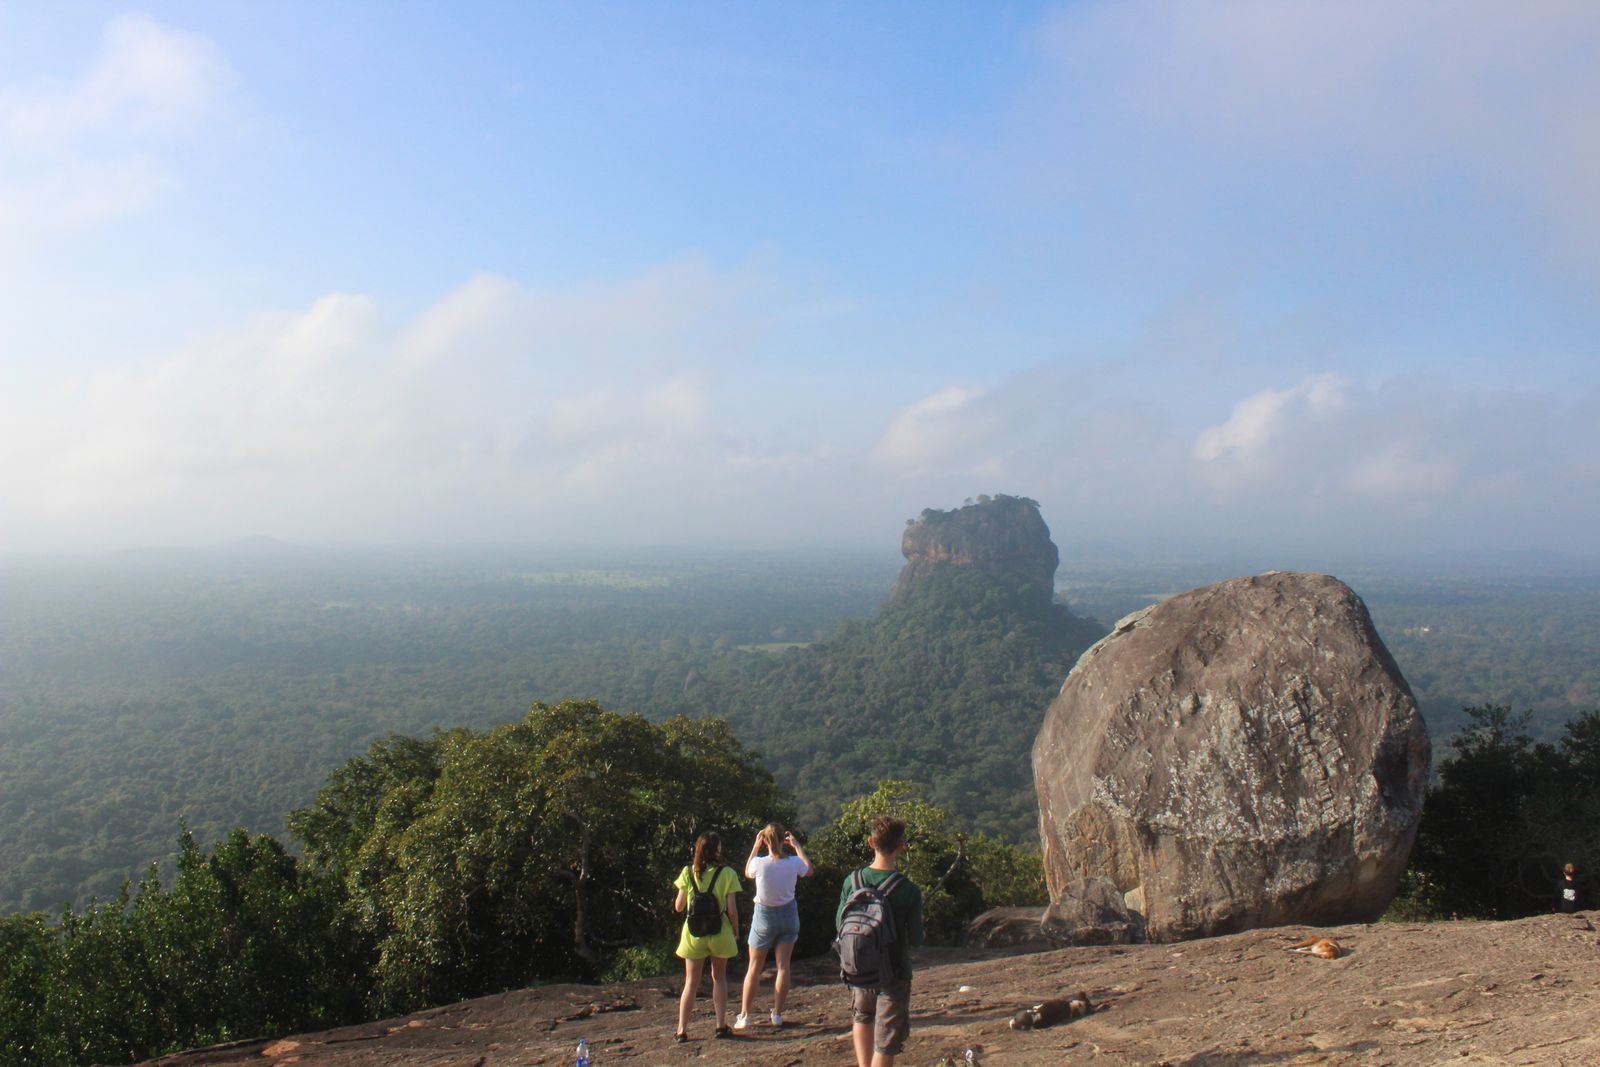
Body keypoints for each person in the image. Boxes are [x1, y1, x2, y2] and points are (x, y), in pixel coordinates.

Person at [836, 815, 923, 1067]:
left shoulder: (851, 882)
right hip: (894, 971)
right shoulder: (908, 890)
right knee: (886, 1039)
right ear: (901, 846)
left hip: (859, 967)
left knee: (862, 1017)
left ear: (870, 842)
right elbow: (917, 939)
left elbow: (839, 925)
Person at [735, 822, 813, 1030]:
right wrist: (797, 846)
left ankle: (744, 1015)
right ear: (782, 840)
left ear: (766, 841)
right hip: (788, 915)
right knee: (783, 966)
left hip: (764, 916)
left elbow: (747, 871)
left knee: (754, 967)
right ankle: (777, 1014)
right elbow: (809, 870)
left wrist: (755, 846)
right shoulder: (794, 862)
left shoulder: (760, 864)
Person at [672, 831, 741, 1042]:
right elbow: (731, 910)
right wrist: (736, 931)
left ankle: (682, 1030)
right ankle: (720, 1026)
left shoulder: (688, 872)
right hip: (719, 932)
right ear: (717, 850)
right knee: (719, 978)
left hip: (693, 934)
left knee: (691, 981)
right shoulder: (727, 873)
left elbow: (678, 906)